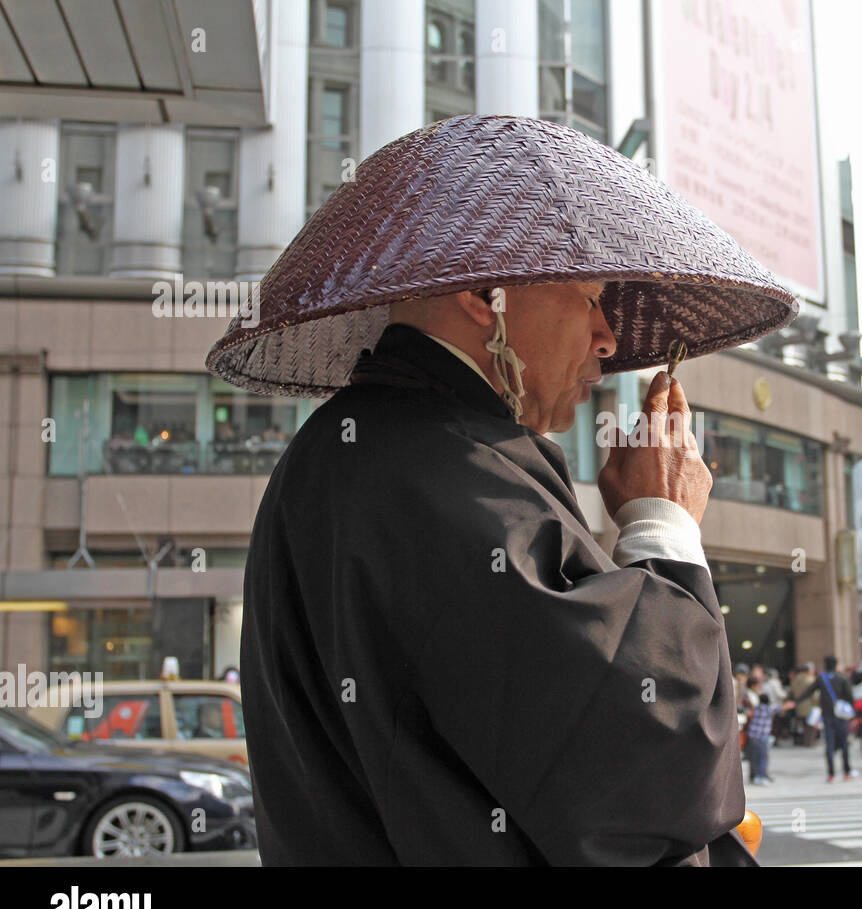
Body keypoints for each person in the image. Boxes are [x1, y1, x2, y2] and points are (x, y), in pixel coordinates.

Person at [219, 115, 800, 866]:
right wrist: (662, 524)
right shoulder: (429, 468)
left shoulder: (378, 448)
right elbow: (659, 766)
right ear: (483, 291)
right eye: (589, 295)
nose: (608, 337)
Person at [796, 655, 857, 782]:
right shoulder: (842, 678)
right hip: (841, 716)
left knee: (829, 744)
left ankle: (831, 774)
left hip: (827, 716)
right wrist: (852, 714)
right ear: (836, 664)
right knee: (844, 744)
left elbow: (808, 692)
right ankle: (846, 771)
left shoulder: (821, 679)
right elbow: (850, 697)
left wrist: (796, 701)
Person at [747, 692, 776, 786]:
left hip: (752, 736)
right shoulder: (769, 709)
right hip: (762, 737)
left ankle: (755, 776)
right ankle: (761, 776)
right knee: (763, 757)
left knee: (754, 757)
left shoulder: (756, 708)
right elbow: (781, 707)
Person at [790, 663, 817, 746]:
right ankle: (809, 742)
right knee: (811, 725)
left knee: (802, 725)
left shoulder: (795, 679)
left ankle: (802, 741)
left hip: (799, 704)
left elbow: (792, 691)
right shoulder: (810, 680)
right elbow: (815, 694)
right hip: (810, 705)